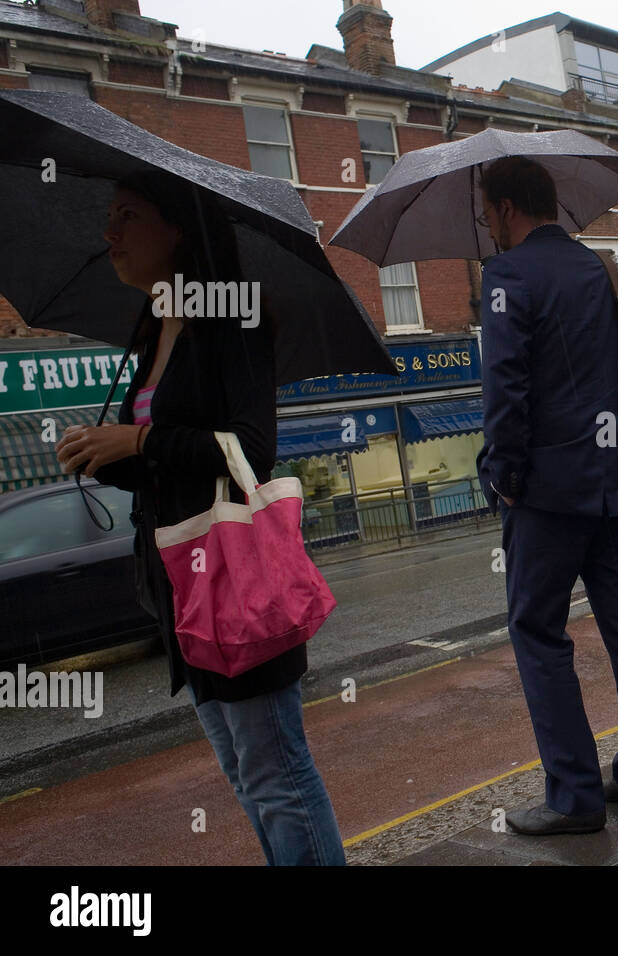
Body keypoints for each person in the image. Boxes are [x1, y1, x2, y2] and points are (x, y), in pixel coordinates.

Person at [54, 170, 345, 865]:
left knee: (276, 773)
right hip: (183, 589)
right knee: (247, 773)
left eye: (127, 215)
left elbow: (251, 453)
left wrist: (142, 440)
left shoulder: (232, 319)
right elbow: (164, 462)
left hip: (234, 582)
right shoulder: (153, 325)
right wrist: (103, 454)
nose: (110, 234)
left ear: (176, 228)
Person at [476, 156, 618, 835]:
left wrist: (502, 472)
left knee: (537, 630)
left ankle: (575, 796)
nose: (485, 226)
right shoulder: (596, 267)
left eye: (485, 212)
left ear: (505, 208)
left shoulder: (505, 275)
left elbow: (506, 387)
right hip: (613, 480)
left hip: (546, 490)